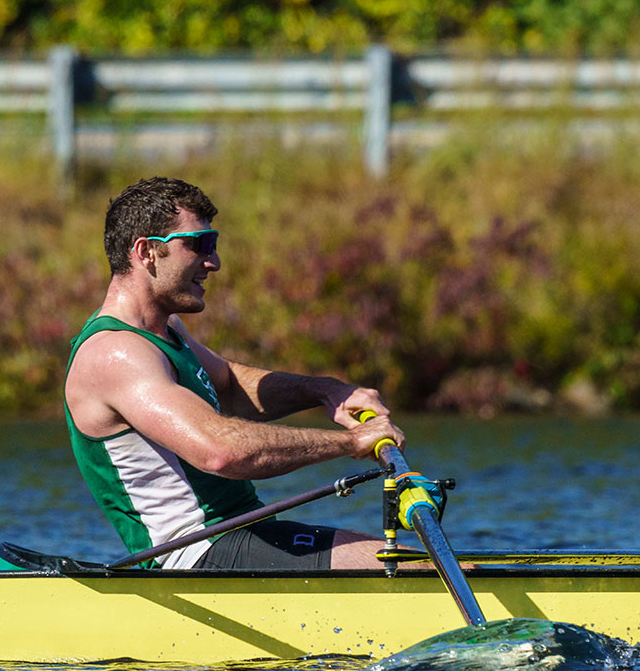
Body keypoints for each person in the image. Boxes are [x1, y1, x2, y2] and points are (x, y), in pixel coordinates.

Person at [64, 176, 404, 569]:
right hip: (195, 553)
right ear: (147, 252)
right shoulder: (114, 354)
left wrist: (327, 392)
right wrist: (353, 442)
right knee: (411, 566)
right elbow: (222, 452)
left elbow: (228, 386)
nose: (214, 262)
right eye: (200, 244)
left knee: (418, 561)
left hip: (239, 536)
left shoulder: (166, 331)